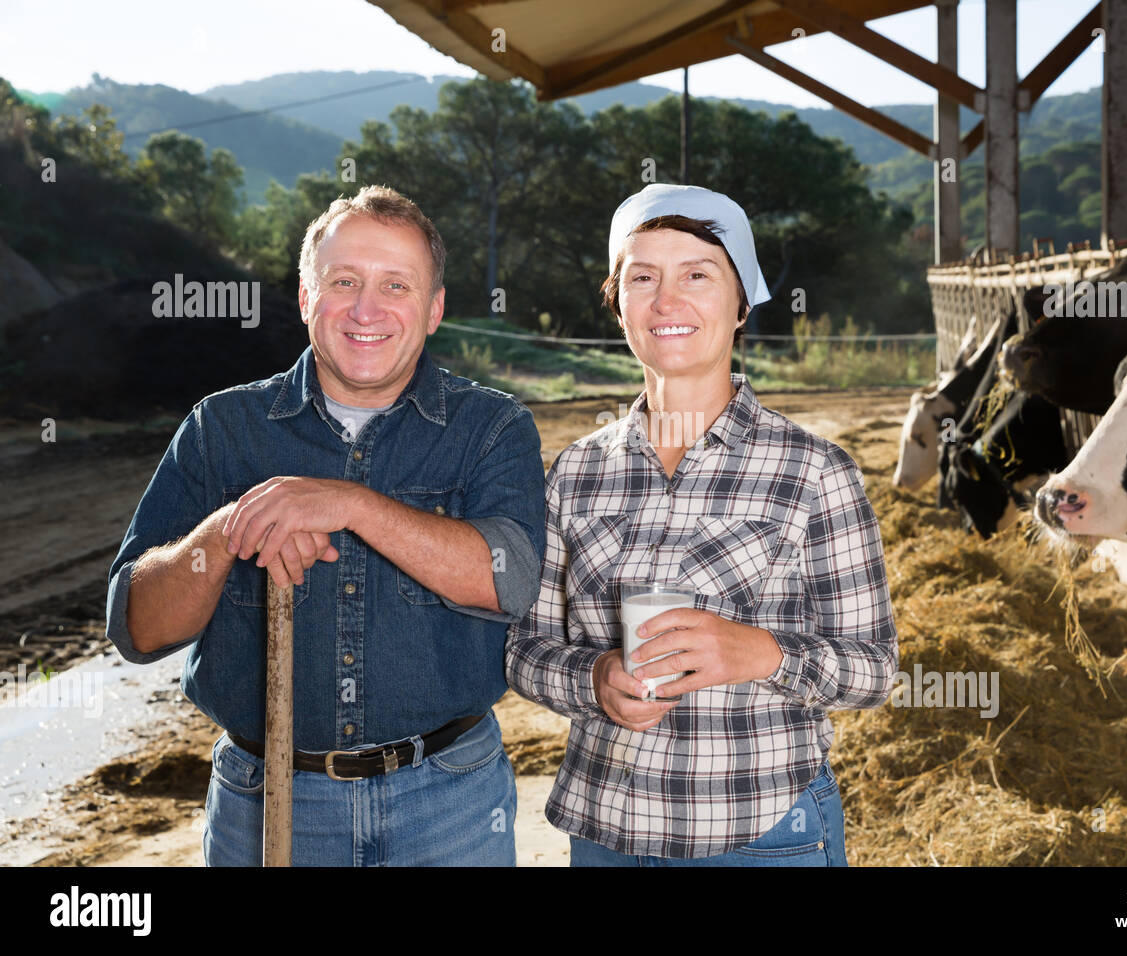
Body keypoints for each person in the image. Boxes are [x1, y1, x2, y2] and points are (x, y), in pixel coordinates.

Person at [105, 185, 545, 866]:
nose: (367, 309)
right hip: (268, 801)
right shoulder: (222, 430)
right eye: (344, 282)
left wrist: (353, 505)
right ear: (308, 299)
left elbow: (511, 580)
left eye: (395, 285)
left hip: (450, 803)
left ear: (433, 311)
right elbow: (139, 628)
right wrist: (230, 530)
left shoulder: (490, 427)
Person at [505, 183, 898, 865]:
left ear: (741, 301)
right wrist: (592, 678)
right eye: (642, 277)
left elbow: (874, 670)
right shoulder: (576, 472)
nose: (667, 300)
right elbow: (522, 649)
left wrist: (761, 653)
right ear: (618, 301)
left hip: (757, 833)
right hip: (606, 833)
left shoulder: (814, 472)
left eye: (697, 274)